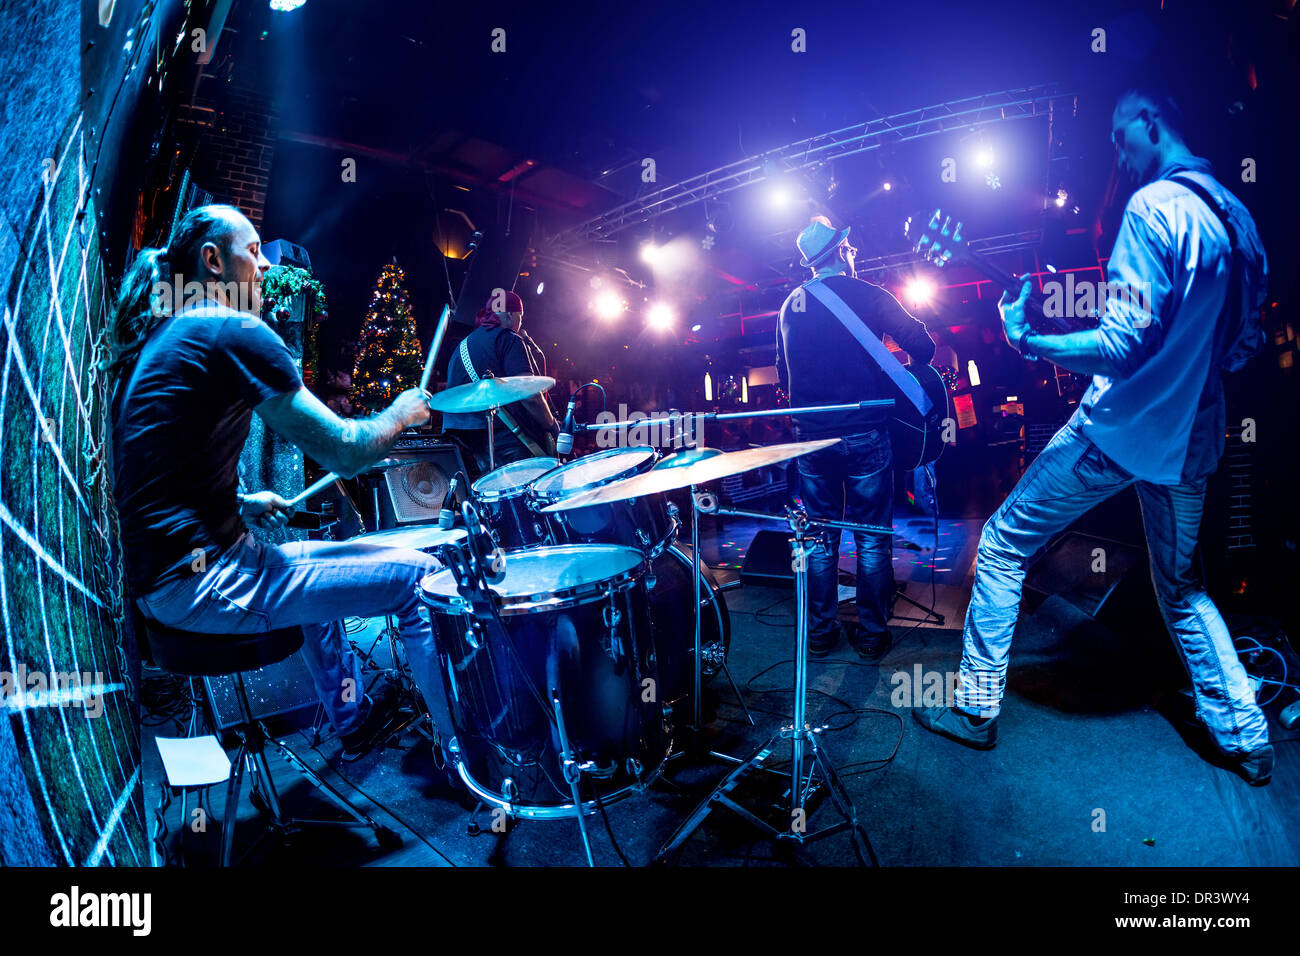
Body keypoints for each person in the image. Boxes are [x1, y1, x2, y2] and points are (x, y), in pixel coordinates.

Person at [912, 89, 1273, 786]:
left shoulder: (1153, 208)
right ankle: (1247, 736)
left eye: (1118, 135)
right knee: (1183, 586)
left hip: (1118, 431)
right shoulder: (1240, 222)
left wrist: (1030, 337)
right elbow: (1244, 345)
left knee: (1004, 542)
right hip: (1191, 442)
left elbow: (1122, 343)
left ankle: (976, 710)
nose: (1116, 152)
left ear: (1151, 120)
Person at [107, 204, 449, 762]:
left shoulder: (168, 334)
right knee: (423, 578)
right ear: (213, 261)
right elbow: (345, 452)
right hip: (204, 583)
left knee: (313, 559)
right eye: (254, 250)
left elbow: (159, 473)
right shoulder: (231, 328)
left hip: (166, 583)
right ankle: (477, 769)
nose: (265, 265)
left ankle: (353, 719)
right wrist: (400, 413)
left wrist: (240, 503)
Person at [776, 216, 936, 660]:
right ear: (841, 253)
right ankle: (871, 635)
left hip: (812, 440)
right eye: (849, 248)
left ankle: (822, 635)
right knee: (870, 535)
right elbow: (924, 348)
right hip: (865, 433)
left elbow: (783, 374)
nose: (854, 252)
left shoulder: (790, 304)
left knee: (820, 538)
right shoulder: (869, 294)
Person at [441, 289, 558, 475]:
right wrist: (551, 425)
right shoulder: (509, 339)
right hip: (503, 435)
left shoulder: (463, 345)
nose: (520, 323)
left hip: (463, 437)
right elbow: (529, 395)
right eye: (521, 316)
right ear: (511, 314)